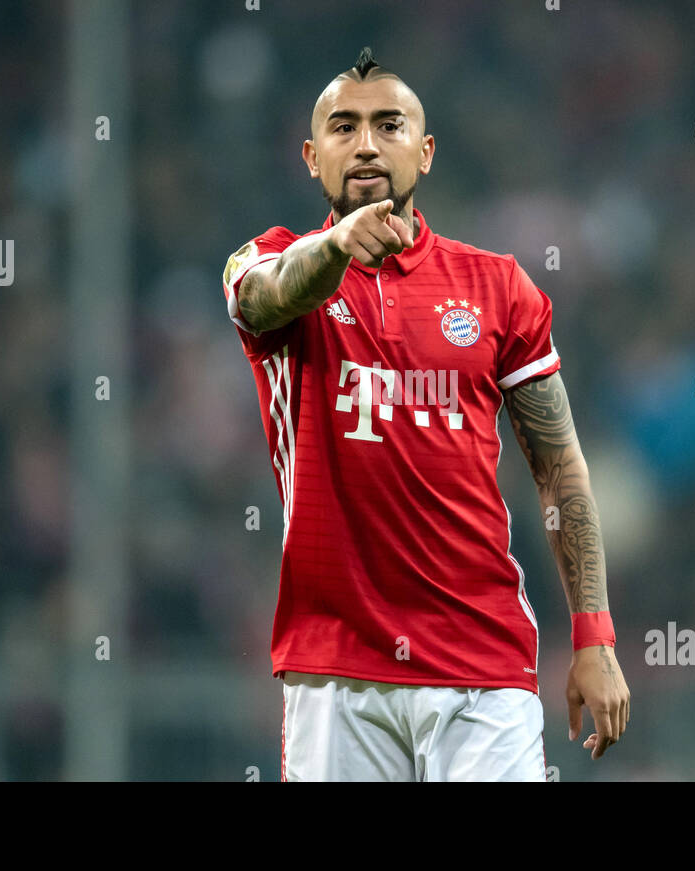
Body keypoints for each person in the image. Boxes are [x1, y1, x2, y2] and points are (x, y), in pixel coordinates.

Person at [221, 47, 629, 781]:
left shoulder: (498, 287)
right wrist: (336, 247)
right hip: (336, 666)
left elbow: (557, 463)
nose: (368, 143)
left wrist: (593, 633)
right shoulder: (270, 261)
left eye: (390, 124)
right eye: (344, 128)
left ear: (426, 151)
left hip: (483, 662)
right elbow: (264, 296)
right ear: (313, 157)